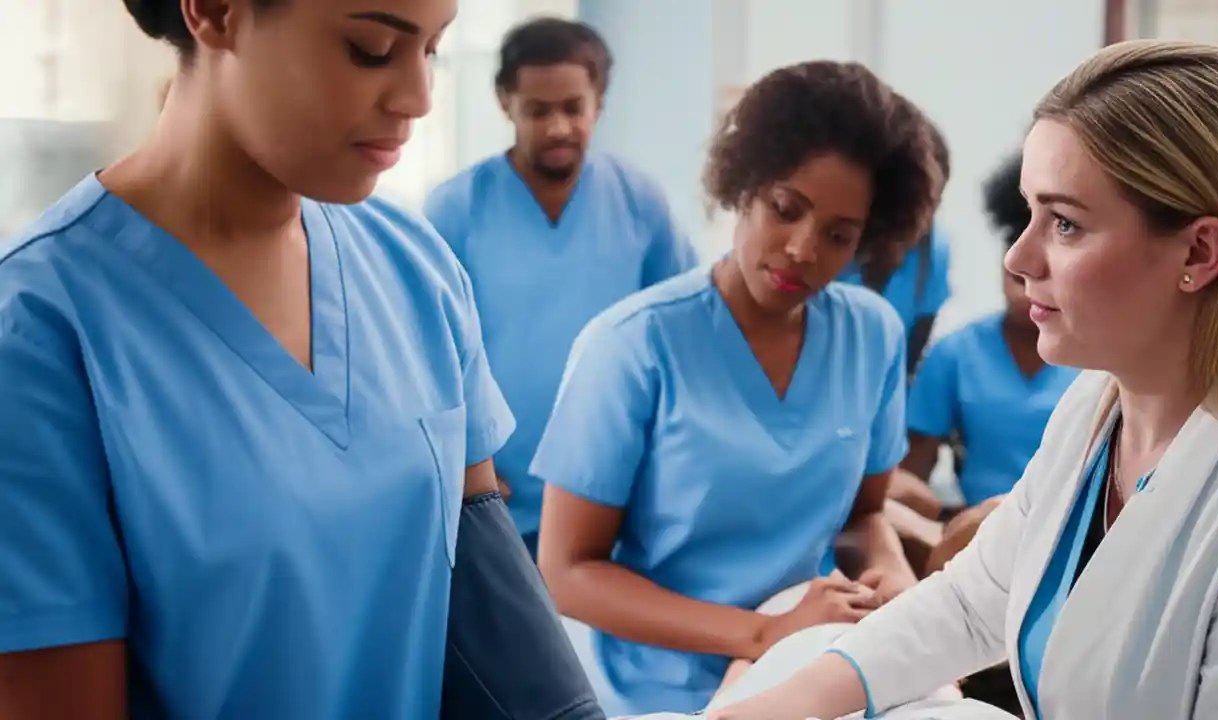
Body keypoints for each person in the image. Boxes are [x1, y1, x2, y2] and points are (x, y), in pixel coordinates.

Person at [0, 2, 604, 719]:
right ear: (216, 12)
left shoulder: (416, 271)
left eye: (433, 51)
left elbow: (495, 634)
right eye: (371, 49)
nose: (418, 98)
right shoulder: (40, 335)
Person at [709, 40, 1218, 720]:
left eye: (1065, 224)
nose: (1019, 256)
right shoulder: (1094, 413)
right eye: (1029, 213)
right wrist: (743, 715)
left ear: (1199, 251)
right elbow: (968, 604)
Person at [531, 60, 939, 715]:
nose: (804, 249)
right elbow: (566, 572)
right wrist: (758, 632)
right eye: (786, 209)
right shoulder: (633, 346)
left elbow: (864, 515)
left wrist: (890, 573)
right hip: (659, 686)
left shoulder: (872, 336)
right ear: (743, 186)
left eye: (840, 235)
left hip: (807, 660)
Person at [425, 17, 698, 555]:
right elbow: (423, 352)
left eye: (573, 108)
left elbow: (682, 336)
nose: (557, 128)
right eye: (538, 110)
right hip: (494, 496)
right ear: (506, 102)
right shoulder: (455, 209)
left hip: (616, 488)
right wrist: (462, 457)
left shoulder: (639, 201)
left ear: (599, 102)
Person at [890, 152, 1079, 524]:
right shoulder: (955, 355)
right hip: (977, 535)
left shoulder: (1099, 359)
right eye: (1019, 279)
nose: (1027, 294)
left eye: (1047, 277)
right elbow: (909, 480)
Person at [838, 121, 952, 375]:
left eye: (932, 202)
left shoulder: (934, 253)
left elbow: (909, 361)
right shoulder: (837, 244)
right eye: (911, 200)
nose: (920, 217)